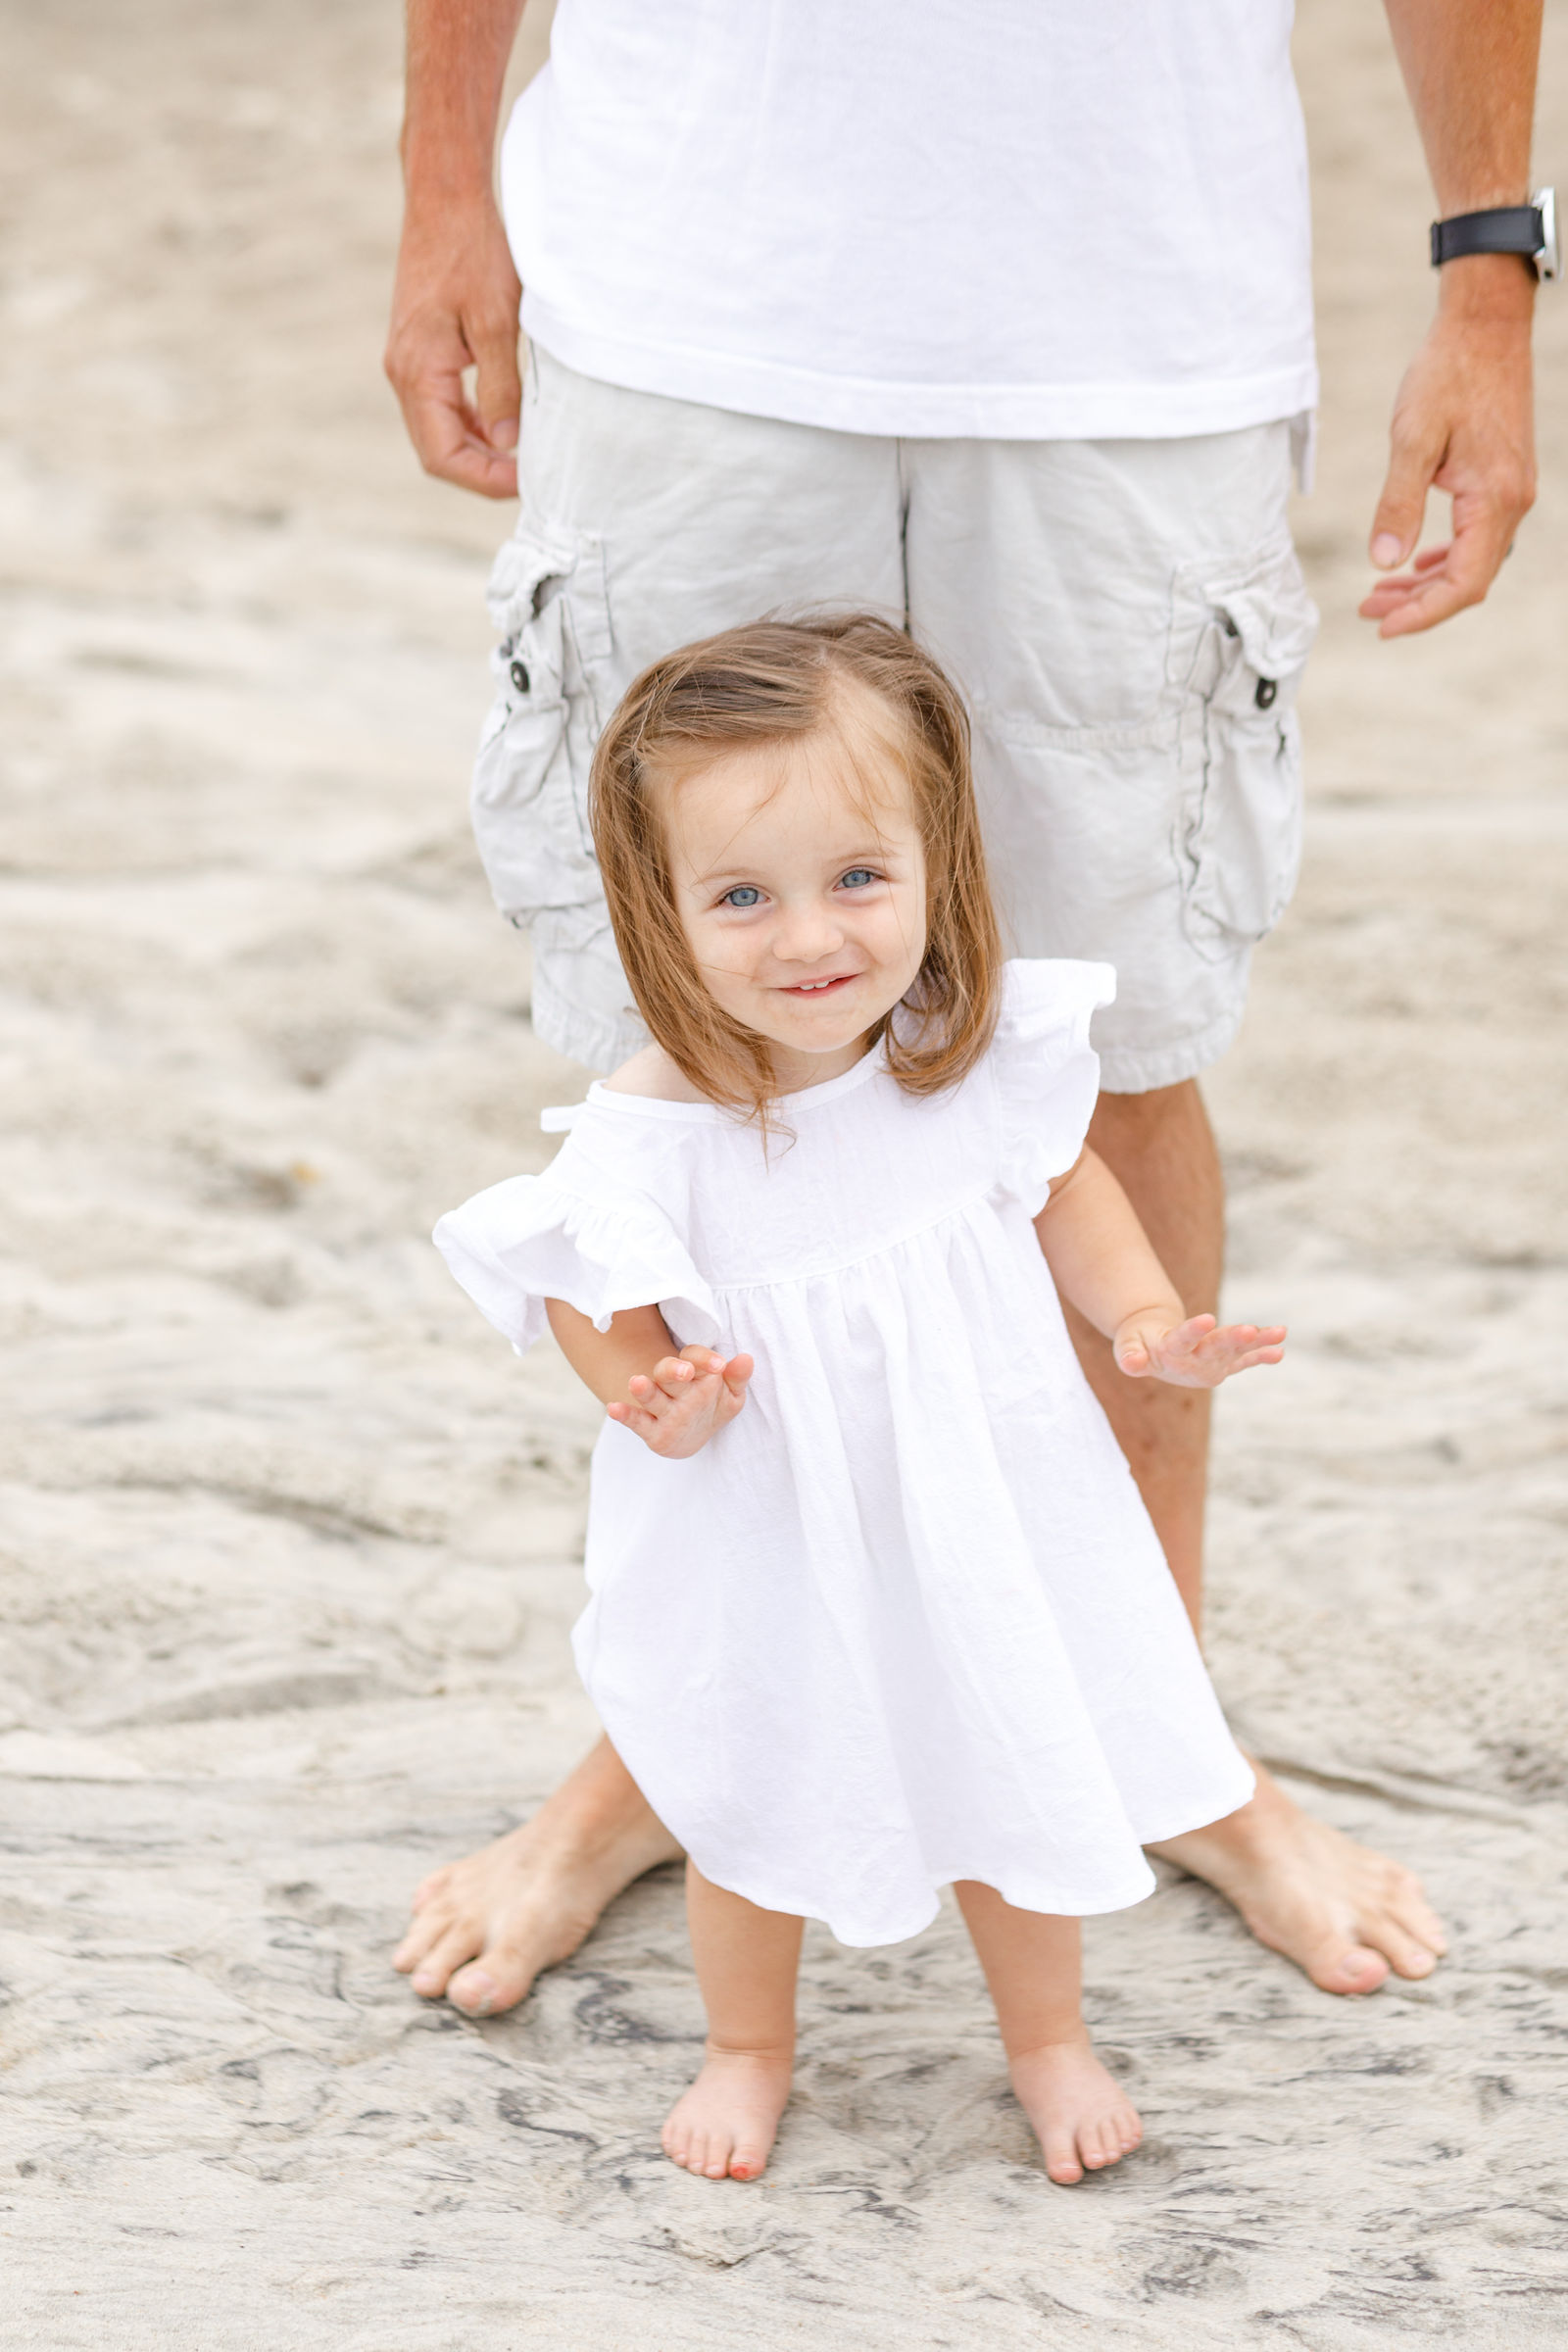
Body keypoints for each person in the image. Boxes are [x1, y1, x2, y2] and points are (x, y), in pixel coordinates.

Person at [387, 0, 1543, 2016]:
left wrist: (1486, 268)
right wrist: (438, 197)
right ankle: (676, 1752)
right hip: (682, 293)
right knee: (703, 1054)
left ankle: (1143, 1727)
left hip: (1135, 323)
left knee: (1107, 1065)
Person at [434, 616, 1289, 2183]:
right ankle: (750, 2045)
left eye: (857, 880)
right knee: (752, 1800)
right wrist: (654, 1396)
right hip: (768, 1522)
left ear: (932, 858)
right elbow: (584, 1293)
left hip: (977, 1498)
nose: (809, 939)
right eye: (742, 896)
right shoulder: (658, 1129)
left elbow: (1068, 1192)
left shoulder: (957, 1059)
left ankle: (1048, 2038)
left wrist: (1149, 1322)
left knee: (1005, 1757)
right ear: (659, 906)